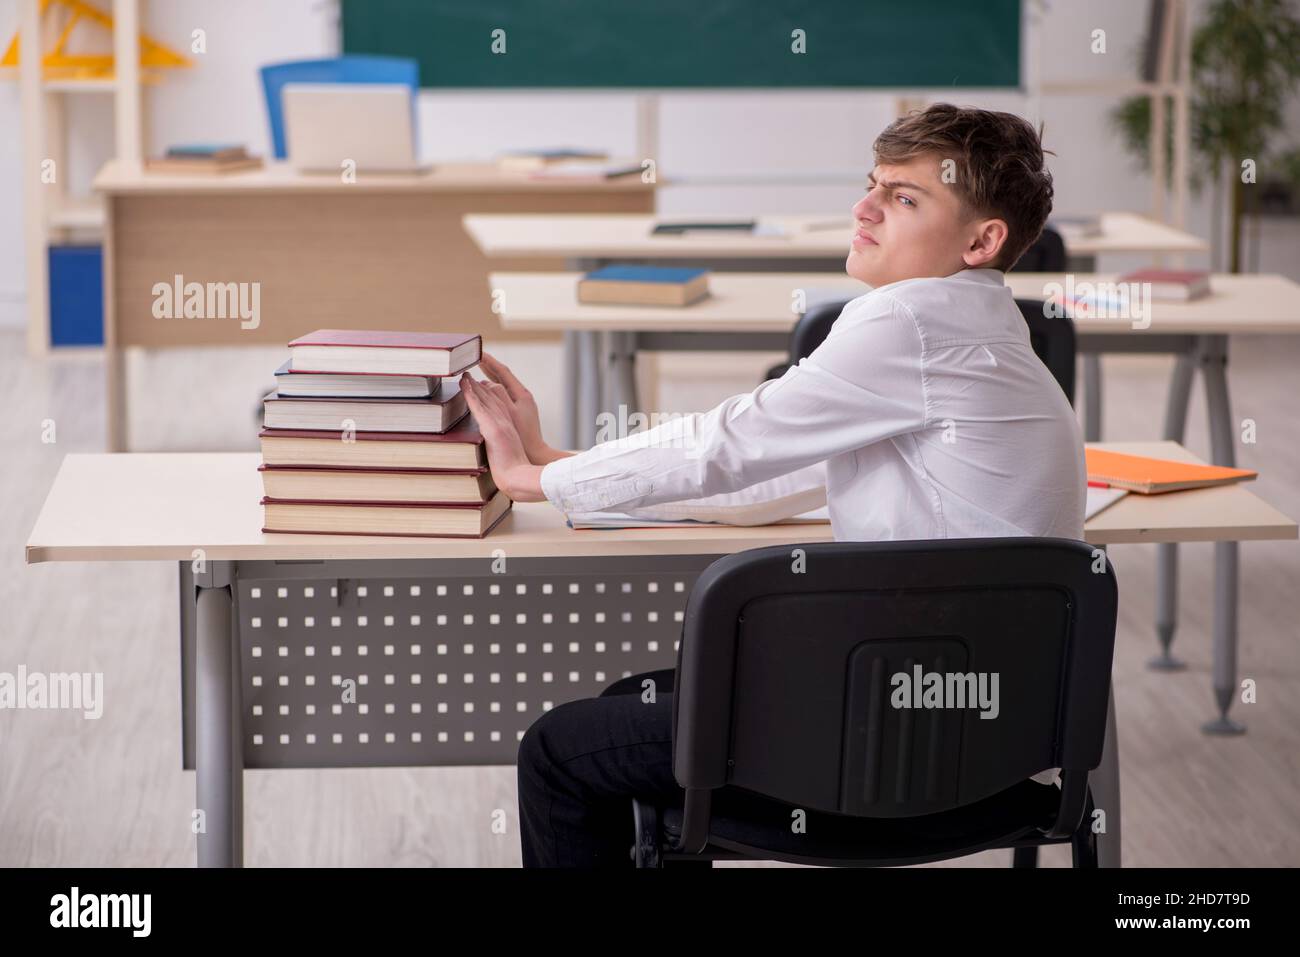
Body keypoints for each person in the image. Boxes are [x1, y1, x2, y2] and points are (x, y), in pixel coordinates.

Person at [459, 103, 1084, 867]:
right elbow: (769, 476)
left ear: (981, 241)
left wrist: (530, 478)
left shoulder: (911, 322)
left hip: (892, 745)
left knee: (558, 752)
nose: (864, 208)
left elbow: (729, 441)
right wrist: (557, 466)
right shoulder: (983, 333)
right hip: (994, 743)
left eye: (904, 197)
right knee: (628, 701)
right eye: (873, 185)